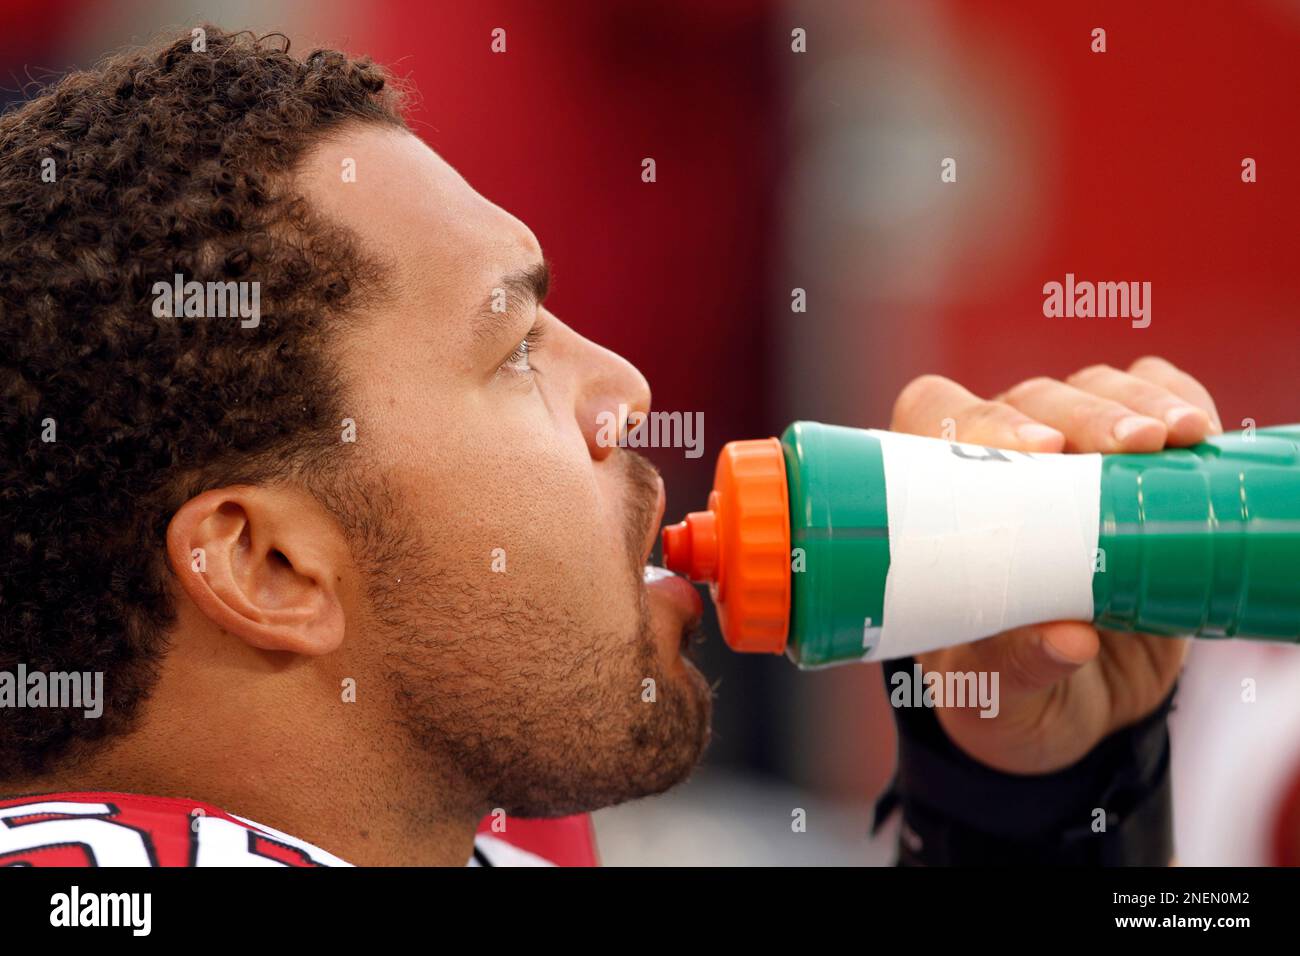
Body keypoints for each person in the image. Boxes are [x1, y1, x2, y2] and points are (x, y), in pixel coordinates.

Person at [0, 27, 1219, 866]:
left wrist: (1033, 789)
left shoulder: (462, 810)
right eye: (515, 347)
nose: (626, 390)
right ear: (267, 563)